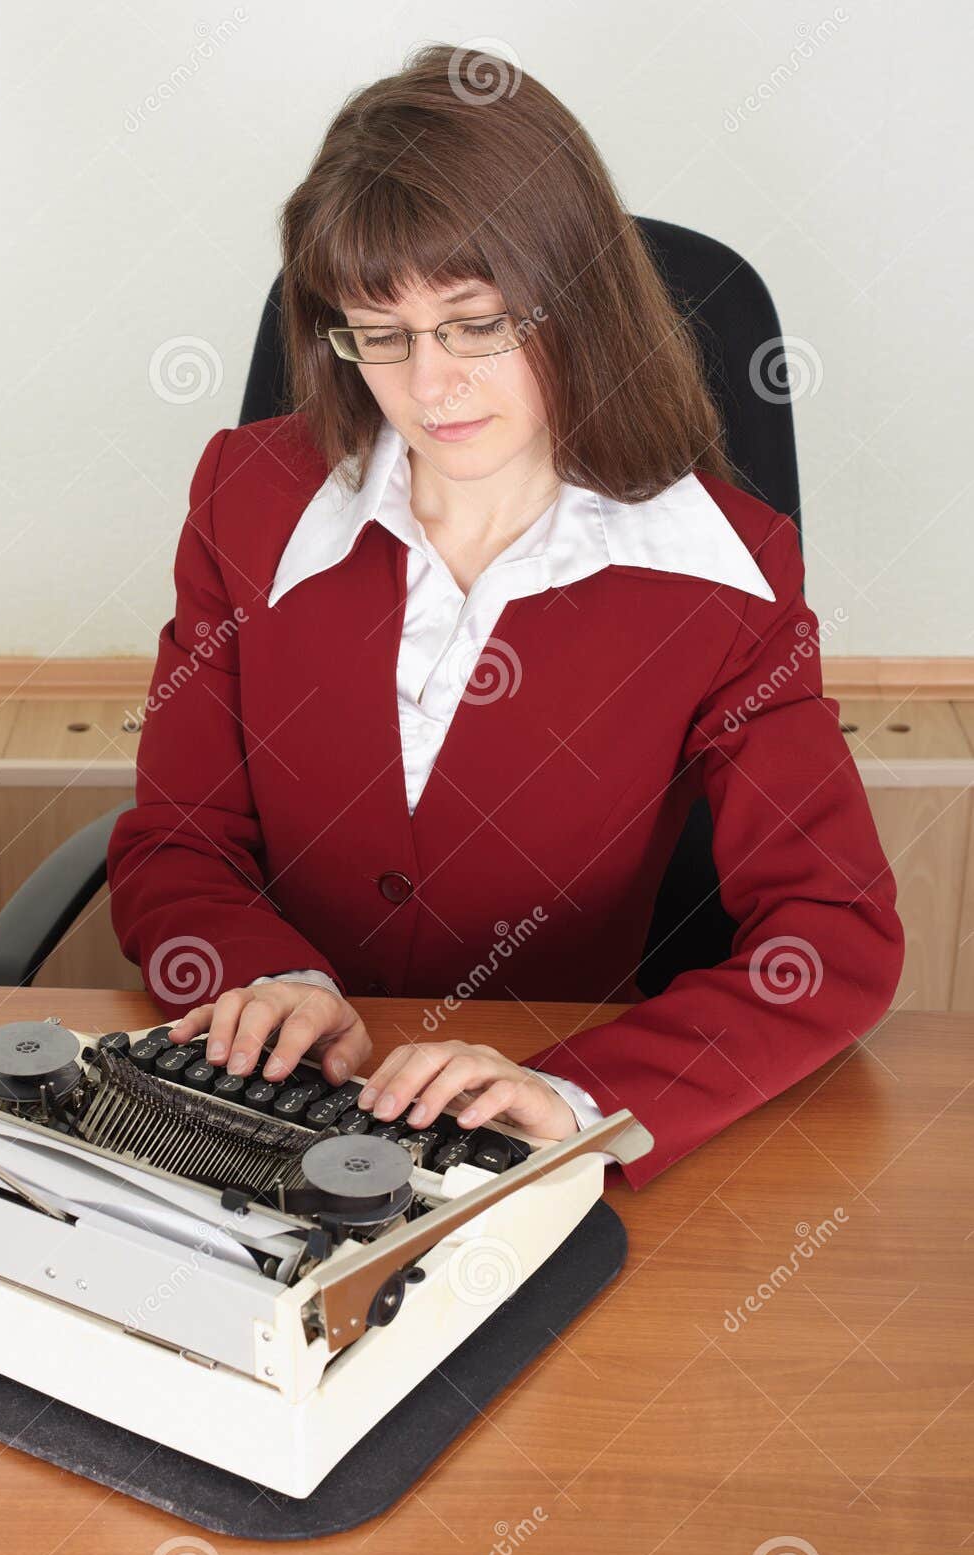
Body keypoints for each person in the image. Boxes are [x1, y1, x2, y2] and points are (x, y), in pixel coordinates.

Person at [107, 44, 904, 1188]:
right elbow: (178, 836)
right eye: (378, 334)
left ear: (576, 303)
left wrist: (579, 1094)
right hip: (263, 1120)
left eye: (474, 324)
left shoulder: (726, 575)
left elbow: (832, 934)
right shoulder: (250, 498)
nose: (428, 388)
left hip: (512, 1136)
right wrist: (271, 975)